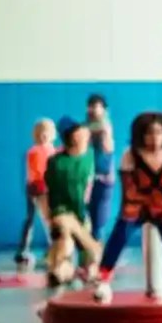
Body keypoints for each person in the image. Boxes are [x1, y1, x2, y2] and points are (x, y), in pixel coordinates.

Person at [92, 112, 162, 304]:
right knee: (119, 235)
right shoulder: (130, 156)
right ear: (141, 134)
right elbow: (128, 190)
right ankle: (103, 279)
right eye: (149, 133)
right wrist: (130, 212)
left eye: (159, 132)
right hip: (136, 207)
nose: (154, 138)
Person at [44, 118, 101, 287]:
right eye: (80, 134)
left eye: (85, 133)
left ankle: (62, 270)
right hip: (61, 212)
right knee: (68, 240)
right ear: (71, 138)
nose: (85, 136)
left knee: (80, 252)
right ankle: (60, 268)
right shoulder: (56, 162)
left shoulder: (91, 156)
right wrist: (50, 216)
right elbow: (49, 191)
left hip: (82, 212)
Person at [15, 118, 58, 269]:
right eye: (40, 133)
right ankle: (24, 250)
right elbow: (38, 172)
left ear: (52, 134)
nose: (43, 135)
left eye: (46, 132)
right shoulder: (34, 152)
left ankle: (52, 249)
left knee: (47, 220)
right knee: (35, 220)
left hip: (46, 188)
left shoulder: (54, 151)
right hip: (38, 188)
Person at [86, 94, 117, 242]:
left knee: (98, 221)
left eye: (96, 106)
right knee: (88, 219)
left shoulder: (105, 126)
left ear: (104, 109)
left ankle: (97, 251)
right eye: (90, 106)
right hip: (88, 177)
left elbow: (104, 140)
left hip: (104, 178)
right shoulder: (85, 126)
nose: (92, 109)